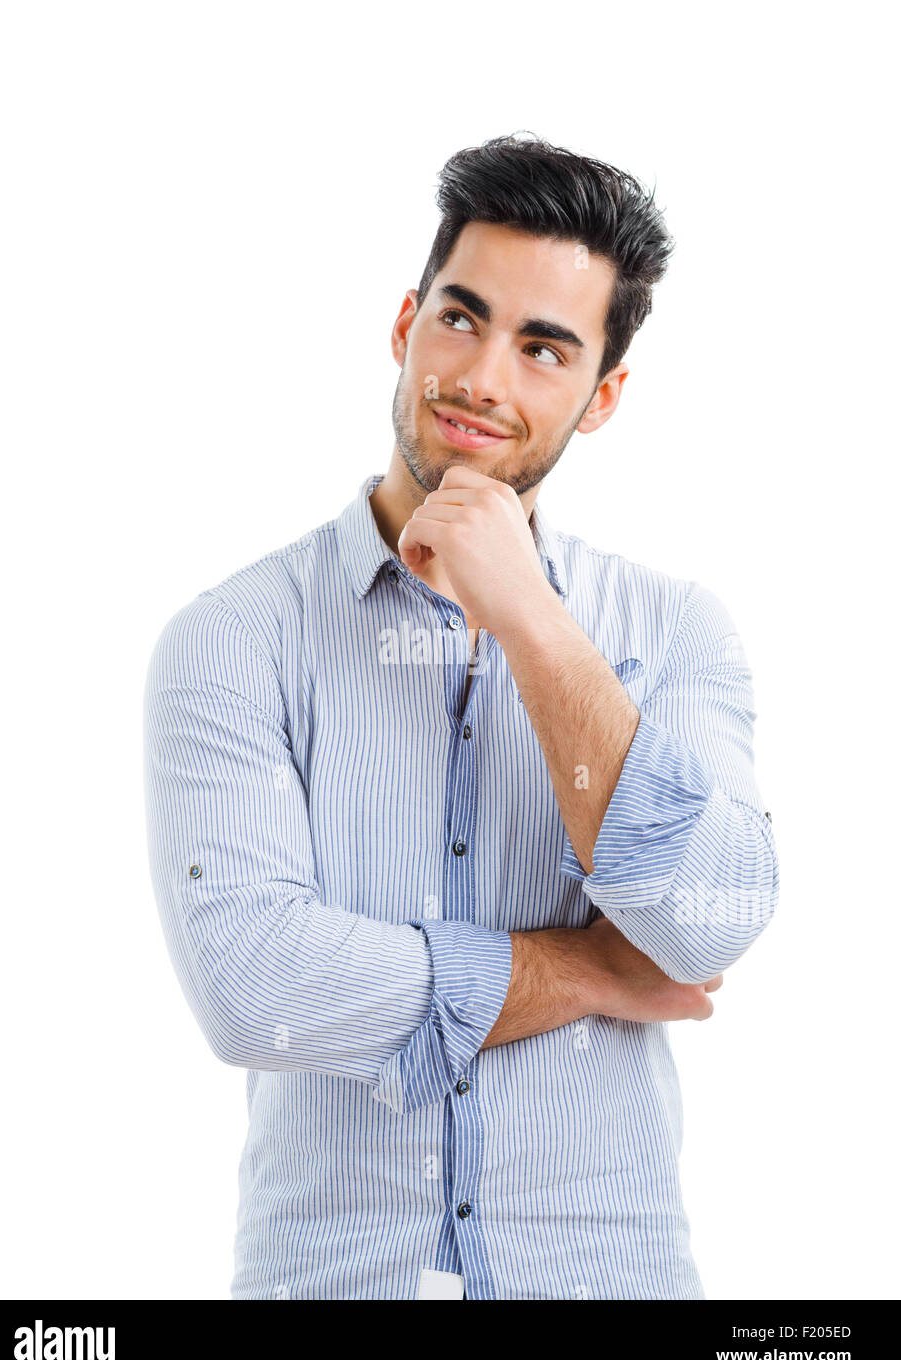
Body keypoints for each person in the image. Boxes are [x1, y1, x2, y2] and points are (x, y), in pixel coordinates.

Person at [142, 133, 779, 1300]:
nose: (482, 377)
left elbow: (707, 920)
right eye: (460, 318)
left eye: (543, 348)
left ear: (602, 398)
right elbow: (257, 988)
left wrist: (532, 624)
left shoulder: (675, 629)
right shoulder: (235, 638)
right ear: (403, 324)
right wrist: (589, 970)